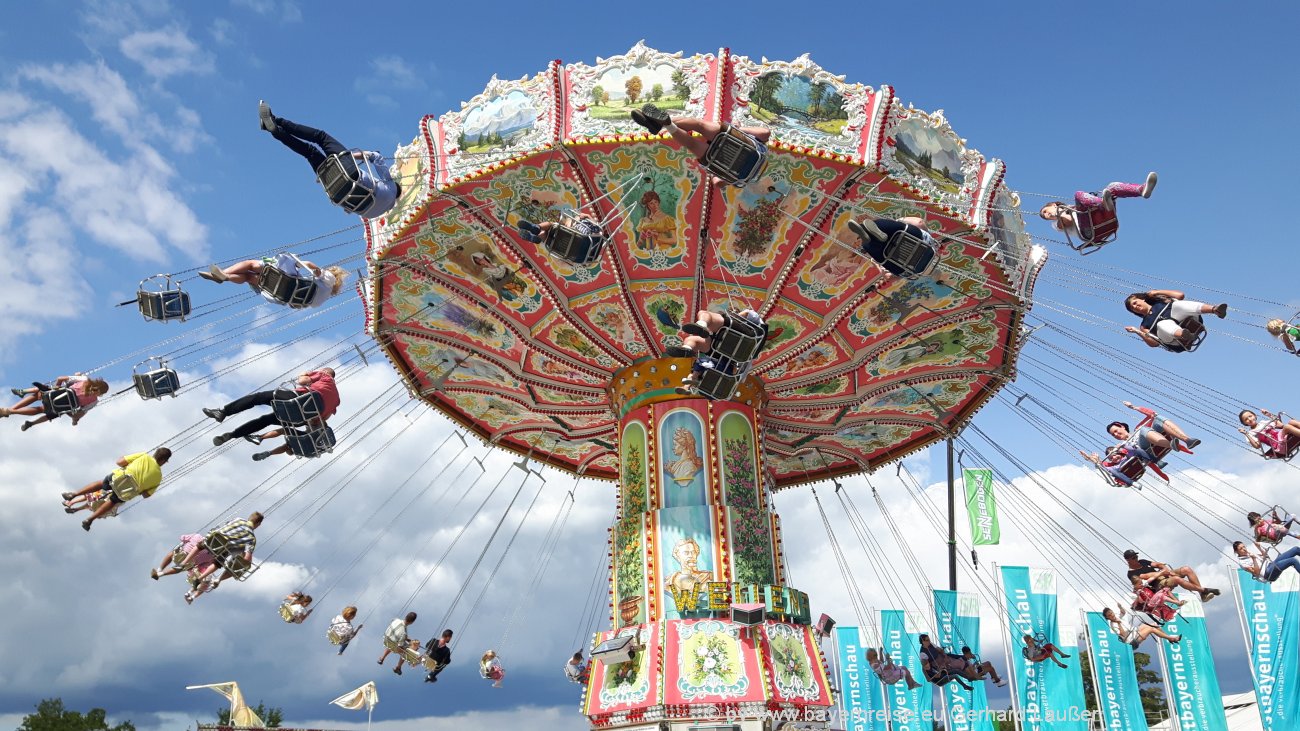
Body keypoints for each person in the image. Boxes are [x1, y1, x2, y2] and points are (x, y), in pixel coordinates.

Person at [258, 101, 400, 219]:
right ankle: (276, 131)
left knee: (321, 137)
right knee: (309, 152)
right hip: (335, 190)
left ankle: (276, 121)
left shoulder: (392, 191)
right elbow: (348, 210)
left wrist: (366, 154)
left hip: (351, 174)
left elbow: (377, 158)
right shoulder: (372, 215)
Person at [629, 105, 770, 187]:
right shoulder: (742, 178)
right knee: (691, 144)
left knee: (699, 125)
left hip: (737, 143)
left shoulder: (760, 149)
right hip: (724, 162)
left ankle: (660, 124)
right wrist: (727, 181)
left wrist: (736, 129)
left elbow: (765, 132)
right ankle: (666, 125)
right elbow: (717, 182)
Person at [204, 367, 339, 445]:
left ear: (326, 372)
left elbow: (302, 381)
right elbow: (324, 417)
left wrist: (303, 374)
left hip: (296, 401)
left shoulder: (324, 376)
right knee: (266, 420)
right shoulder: (337, 399)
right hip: (300, 418)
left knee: (258, 398)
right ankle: (232, 435)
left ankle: (223, 412)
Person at [61, 447, 172, 531]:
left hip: (117, 479)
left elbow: (119, 462)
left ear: (155, 453)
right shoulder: (158, 477)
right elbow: (147, 495)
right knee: (113, 501)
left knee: (101, 483)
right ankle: (90, 519)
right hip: (126, 493)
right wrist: (141, 489)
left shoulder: (144, 456)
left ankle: (74, 494)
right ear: (163, 461)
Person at [199, 254, 348, 308]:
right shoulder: (319, 302)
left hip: (283, 279)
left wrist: (299, 264)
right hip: (278, 294)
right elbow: (296, 305)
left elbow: (310, 265)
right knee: (249, 278)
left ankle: (224, 274)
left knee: (251, 265)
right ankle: (224, 278)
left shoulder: (329, 279)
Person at [1039, 173, 1157, 240]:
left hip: (1102, 220)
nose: (1047, 215)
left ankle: (1141, 190)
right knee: (1078, 195)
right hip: (1089, 231)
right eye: (1045, 217)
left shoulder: (1071, 207)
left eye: (1045, 211)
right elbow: (1068, 221)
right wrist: (1058, 214)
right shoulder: (1056, 224)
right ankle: (1102, 204)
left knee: (1112, 186)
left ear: (1053, 205)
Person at [181, 512, 264, 603]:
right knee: (225, 562)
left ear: (249, 518)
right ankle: (213, 579)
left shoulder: (238, 519)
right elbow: (247, 557)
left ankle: (183, 562)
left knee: (201, 545)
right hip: (222, 550)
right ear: (258, 524)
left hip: (212, 540)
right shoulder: (251, 538)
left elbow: (225, 525)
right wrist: (246, 562)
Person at [1123, 290, 1227, 351]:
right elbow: (1154, 344)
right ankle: (1184, 335)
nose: (1135, 306)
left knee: (1177, 304)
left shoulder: (1160, 302)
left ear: (1142, 299)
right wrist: (1137, 331)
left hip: (1189, 321)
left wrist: (1156, 292)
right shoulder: (1144, 325)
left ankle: (1215, 310)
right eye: (1133, 308)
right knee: (1163, 324)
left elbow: (1180, 295)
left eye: (1135, 302)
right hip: (1174, 340)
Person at [3, 374, 110, 431]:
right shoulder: (94, 401)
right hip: (59, 408)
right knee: (41, 410)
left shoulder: (84, 379)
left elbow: (60, 378)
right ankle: (12, 412)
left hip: (54, 394)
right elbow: (80, 413)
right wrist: (74, 420)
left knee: (37, 395)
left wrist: (58, 385)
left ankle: (12, 407)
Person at [846, 215, 939, 279]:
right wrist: (878, 266)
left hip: (916, 243)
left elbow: (920, 222)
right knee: (881, 254)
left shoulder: (934, 249)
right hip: (900, 261)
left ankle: (874, 232)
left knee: (898, 230)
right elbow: (888, 276)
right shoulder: (916, 273)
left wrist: (901, 220)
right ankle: (870, 238)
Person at [1122, 549, 1220, 602]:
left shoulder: (1142, 561)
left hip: (1164, 575)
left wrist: (1165, 569)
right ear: (1128, 560)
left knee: (1186, 569)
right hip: (1157, 584)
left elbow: (1157, 564)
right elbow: (1146, 576)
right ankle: (1204, 590)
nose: (1137, 558)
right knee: (1177, 579)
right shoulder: (1131, 573)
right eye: (1134, 558)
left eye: (1136, 556)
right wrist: (1162, 572)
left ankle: (1202, 594)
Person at [1107, 402, 1201, 455]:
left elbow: (1152, 414)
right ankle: (1170, 445)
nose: (1115, 434)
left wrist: (1133, 407)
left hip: (1150, 435)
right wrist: (1117, 450)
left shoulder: (1137, 428)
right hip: (1143, 448)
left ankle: (1187, 440)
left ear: (1122, 427)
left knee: (1158, 418)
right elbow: (1119, 458)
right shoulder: (1123, 445)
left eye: (1115, 431)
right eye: (1113, 435)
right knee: (1144, 430)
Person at [919, 634, 1003, 687]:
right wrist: (941, 667)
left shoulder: (931, 645)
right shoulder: (923, 654)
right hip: (947, 666)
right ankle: (997, 681)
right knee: (989, 668)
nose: (929, 641)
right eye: (927, 640)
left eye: (929, 639)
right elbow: (927, 668)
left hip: (949, 660)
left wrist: (944, 655)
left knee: (988, 663)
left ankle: (994, 678)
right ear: (922, 641)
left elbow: (940, 650)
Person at [518, 218, 605, 264]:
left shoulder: (587, 226)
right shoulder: (596, 238)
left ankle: (536, 228)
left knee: (551, 225)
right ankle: (536, 237)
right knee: (548, 235)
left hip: (573, 240)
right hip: (575, 254)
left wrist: (584, 216)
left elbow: (572, 222)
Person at [1079, 445, 1162, 487]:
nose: (1114, 458)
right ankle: (1132, 483)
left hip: (1135, 463)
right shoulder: (1114, 466)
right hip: (1124, 473)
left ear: (1120, 453)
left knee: (1136, 450)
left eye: (1115, 455)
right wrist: (1090, 458)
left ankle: (1157, 461)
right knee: (1110, 470)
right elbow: (1101, 466)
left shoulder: (1126, 456)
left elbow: (1132, 450)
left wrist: (1122, 446)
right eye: (1111, 458)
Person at [1102, 606, 1180, 647]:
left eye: (1111, 613)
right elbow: (1123, 634)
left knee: (1153, 624)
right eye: (1109, 615)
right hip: (1132, 640)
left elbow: (1123, 612)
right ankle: (1172, 638)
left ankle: (1169, 638)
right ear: (1108, 618)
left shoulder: (1117, 616)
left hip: (1135, 632)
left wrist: (1120, 607)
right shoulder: (1113, 625)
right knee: (1151, 629)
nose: (1112, 615)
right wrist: (1119, 623)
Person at [1234, 540, 1300, 583]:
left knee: (1295, 549)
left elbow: (1265, 556)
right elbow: (1256, 573)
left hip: (1271, 565)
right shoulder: (1242, 563)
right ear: (1237, 552)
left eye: (1244, 547)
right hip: (1268, 573)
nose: (1244, 549)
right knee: (1292, 560)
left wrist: (1259, 547)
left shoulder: (1249, 553)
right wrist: (1254, 559)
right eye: (1241, 549)